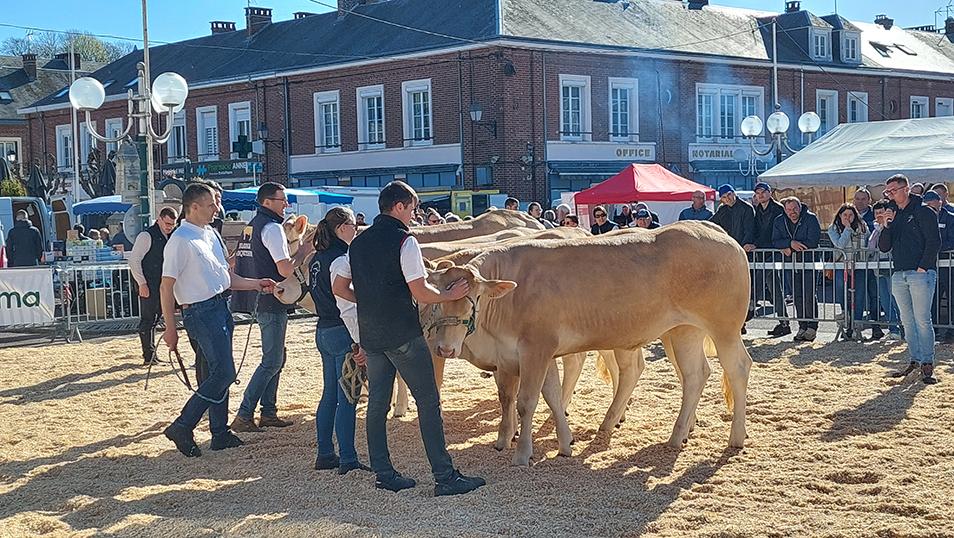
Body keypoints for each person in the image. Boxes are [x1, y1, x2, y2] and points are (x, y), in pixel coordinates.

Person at [347, 180, 485, 495]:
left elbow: (348, 286)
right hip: (402, 334)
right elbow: (420, 291)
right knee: (428, 400)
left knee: (377, 405)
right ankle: (445, 476)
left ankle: (384, 473)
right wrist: (448, 293)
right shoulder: (405, 241)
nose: (414, 214)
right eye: (412, 208)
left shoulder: (358, 242)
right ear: (399, 207)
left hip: (372, 334)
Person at [160, 183, 276, 457]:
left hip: (218, 306)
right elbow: (166, 286)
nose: (217, 209)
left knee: (218, 372)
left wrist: (255, 284)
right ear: (194, 207)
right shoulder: (180, 240)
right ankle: (184, 424)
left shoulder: (210, 234)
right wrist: (169, 327)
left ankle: (219, 432)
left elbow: (225, 277)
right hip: (199, 311)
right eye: (211, 204)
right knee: (223, 373)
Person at [231, 182, 311, 432]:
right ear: (267, 202)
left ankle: (268, 410)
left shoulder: (251, 226)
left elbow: (238, 260)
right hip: (271, 296)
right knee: (272, 360)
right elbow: (285, 268)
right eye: (282, 200)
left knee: (276, 356)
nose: (286, 205)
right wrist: (304, 252)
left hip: (257, 295)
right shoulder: (273, 228)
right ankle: (245, 413)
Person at [307, 207, 372, 475]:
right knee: (348, 395)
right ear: (342, 228)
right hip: (341, 329)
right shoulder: (341, 259)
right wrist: (359, 342)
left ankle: (325, 452)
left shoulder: (315, 259)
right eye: (352, 224)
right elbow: (346, 305)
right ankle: (347, 457)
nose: (355, 228)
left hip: (322, 328)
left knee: (329, 394)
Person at [879, 174, 940, 384]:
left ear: (906, 189)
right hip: (899, 273)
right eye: (887, 191)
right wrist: (886, 225)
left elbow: (934, 242)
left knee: (922, 319)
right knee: (907, 320)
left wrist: (923, 267)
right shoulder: (893, 214)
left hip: (919, 272)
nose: (889, 195)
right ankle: (914, 359)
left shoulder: (924, 211)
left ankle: (927, 362)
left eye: (893, 190)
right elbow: (884, 246)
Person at [129, 207, 179, 365]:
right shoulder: (146, 235)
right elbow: (134, 260)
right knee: (148, 319)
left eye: (172, 224)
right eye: (167, 223)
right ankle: (148, 355)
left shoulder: (171, 236)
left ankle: (151, 354)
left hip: (163, 283)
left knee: (157, 318)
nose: (169, 227)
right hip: (149, 283)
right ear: (159, 219)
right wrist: (141, 283)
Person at [773, 196, 821, 342]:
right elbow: (775, 240)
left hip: (809, 263)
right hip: (791, 265)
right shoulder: (779, 221)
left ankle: (812, 327)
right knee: (797, 296)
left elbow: (812, 241)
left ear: (800, 207)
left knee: (809, 295)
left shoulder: (810, 219)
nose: (792, 212)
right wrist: (788, 243)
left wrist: (791, 247)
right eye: (788, 209)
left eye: (794, 208)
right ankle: (802, 326)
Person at [751, 182, 789, 337]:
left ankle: (751, 306)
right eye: (758, 193)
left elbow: (774, 232)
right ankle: (783, 322)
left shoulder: (778, 209)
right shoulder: (758, 210)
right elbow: (757, 229)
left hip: (773, 250)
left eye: (763, 192)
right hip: (762, 251)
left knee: (766, 280)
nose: (760, 195)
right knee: (772, 284)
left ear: (769, 193)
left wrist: (757, 244)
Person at [827, 204, 869, 339]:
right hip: (841, 265)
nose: (848, 218)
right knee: (842, 291)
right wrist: (847, 229)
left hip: (859, 265)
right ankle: (846, 319)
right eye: (845, 215)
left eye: (850, 215)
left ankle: (857, 323)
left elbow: (868, 241)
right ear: (840, 216)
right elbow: (839, 244)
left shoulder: (863, 227)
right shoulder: (833, 228)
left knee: (859, 294)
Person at [923, 191, 954, 343]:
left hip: (948, 266)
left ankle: (951, 331)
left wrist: (934, 247)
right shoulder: (920, 219)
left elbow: (951, 240)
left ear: (940, 202)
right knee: (931, 300)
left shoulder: (951, 219)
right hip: (929, 266)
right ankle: (932, 330)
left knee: (951, 298)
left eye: (933, 206)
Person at [868, 200, 901, 339]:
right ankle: (893, 328)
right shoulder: (875, 228)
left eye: (881, 212)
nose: (879, 215)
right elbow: (871, 247)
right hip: (878, 266)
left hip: (891, 265)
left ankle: (901, 328)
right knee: (885, 299)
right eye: (876, 213)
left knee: (895, 299)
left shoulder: (893, 226)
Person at [710, 184, 756, 250]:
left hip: (742, 249)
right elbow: (712, 223)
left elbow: (749, 230)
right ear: (722, 199)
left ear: (734, 193)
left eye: (729, 194)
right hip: (728, 247)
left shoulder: (746, 208)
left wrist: (743, 246)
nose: (727, 198)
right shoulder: (722, 210)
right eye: (724, 197)